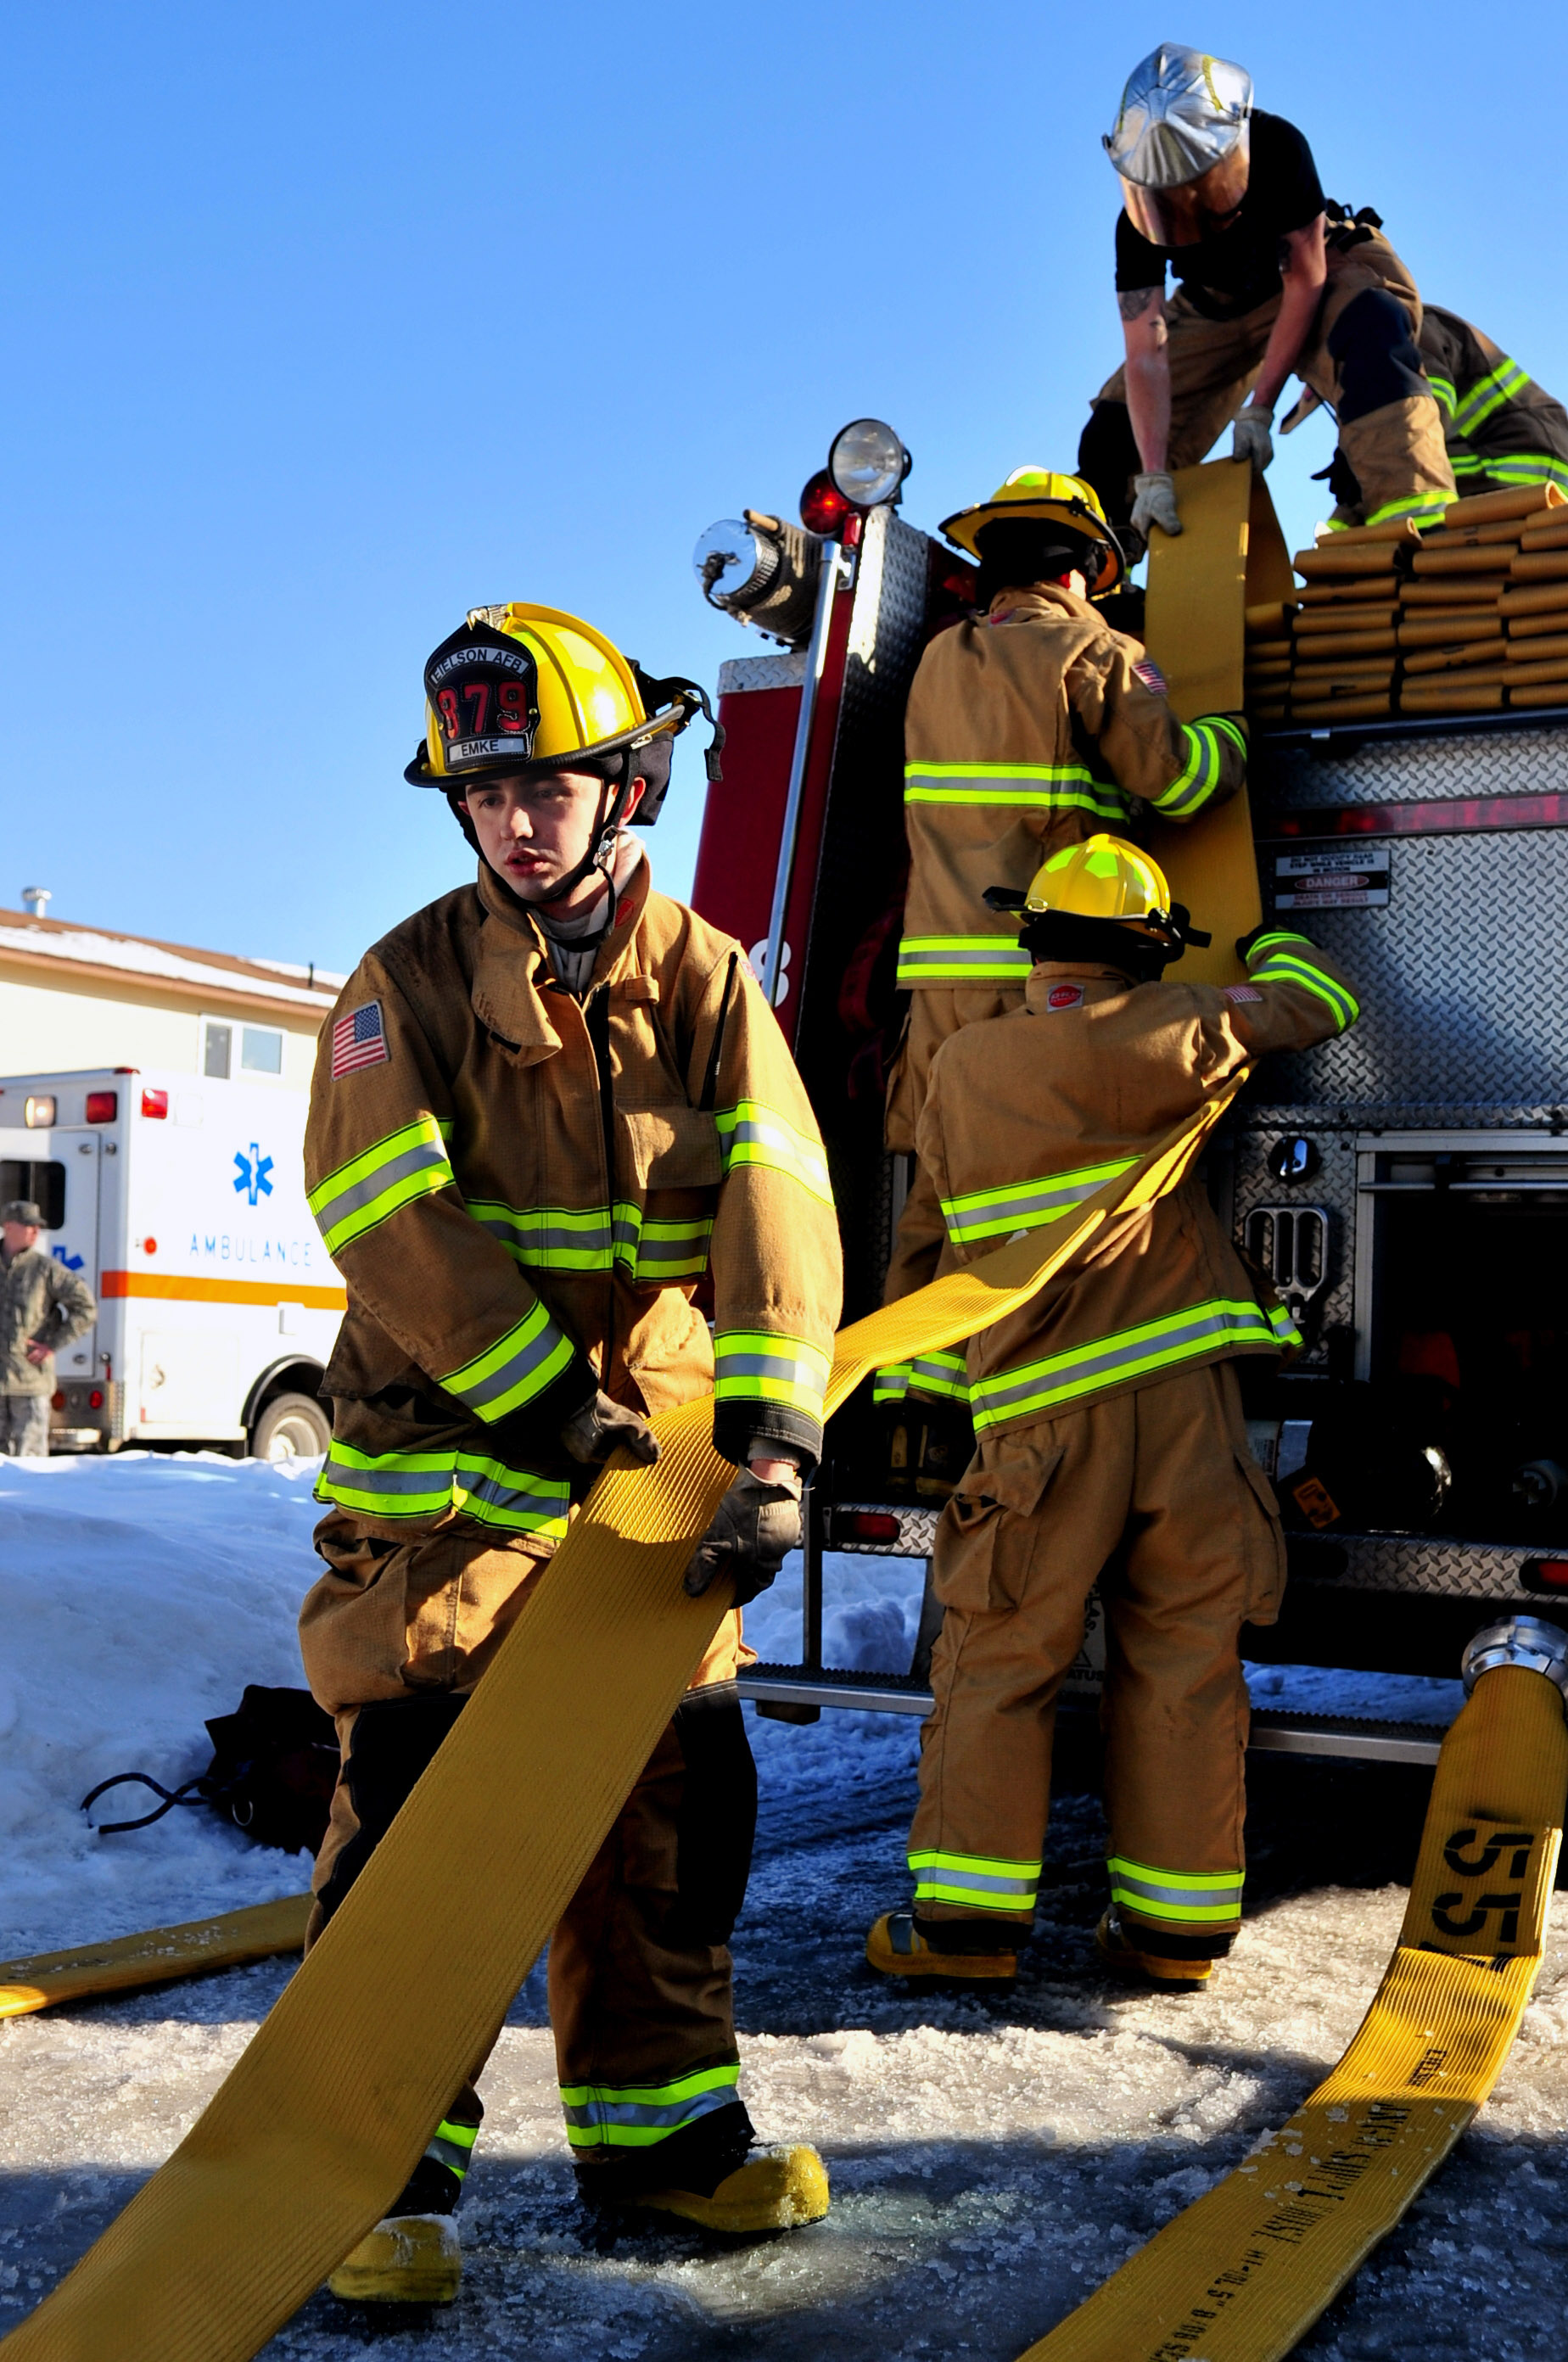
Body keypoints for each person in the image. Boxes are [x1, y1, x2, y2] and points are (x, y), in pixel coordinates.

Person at [303, 604, 843, 2304]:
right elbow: (382, 1220)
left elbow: (781, 1207)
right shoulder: (397, 993)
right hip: (456, 1490)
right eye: (487, 795)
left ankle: (663, 2145)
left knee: (673, 1816)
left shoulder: (705, 981)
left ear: (628, 787)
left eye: (549, 787)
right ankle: (368, 2180)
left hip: (650, 1496)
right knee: (416, 1840)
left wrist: (768, 1448)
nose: (516, 822)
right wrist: (549, 1402)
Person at [866, 838, 1359, 1990]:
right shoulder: (1181, 1030)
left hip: (1042, 1422)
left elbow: (933, 1249)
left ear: (1030, 942)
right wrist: (1259, 944)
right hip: (1189, 1412)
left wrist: (923, 1400)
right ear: (1147, 948)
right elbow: (1318, 999)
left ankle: (969, 1932)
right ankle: (1176, 1934)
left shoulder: (963, 1067)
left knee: (1002, 1659)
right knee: (1186, 1658)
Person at [879, 467, 1246, 1410]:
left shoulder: (938, 661)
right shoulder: (1094, 650)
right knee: (1042, 1177)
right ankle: (1029, 1382)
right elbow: (1178, 782)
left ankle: (912, 1379)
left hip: (934, 978)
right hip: (1040, 970)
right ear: (1083, 570)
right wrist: (1233, 737)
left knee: (943, 1177)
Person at [1078, 45, 1456, 538]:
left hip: (1310, 266)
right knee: (1112, 434)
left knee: (1370, 330)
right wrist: (1151, 476)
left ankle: (1417, 525)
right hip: (1216, 302)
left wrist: (1260, 406)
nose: (1185, 207)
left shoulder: (1279, 148)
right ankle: (1098, 568)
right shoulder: (1135, 227)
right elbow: (1147, 355)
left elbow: (1306, 280)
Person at [0, 1199, 95, 1456]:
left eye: (37, 1226)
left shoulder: (45, 1270)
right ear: (8, 1226)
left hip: (29, 1382)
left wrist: (52, 1345)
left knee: (30, 1466)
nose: (35, 1231)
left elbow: (86, 1308)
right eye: (28, 1225)